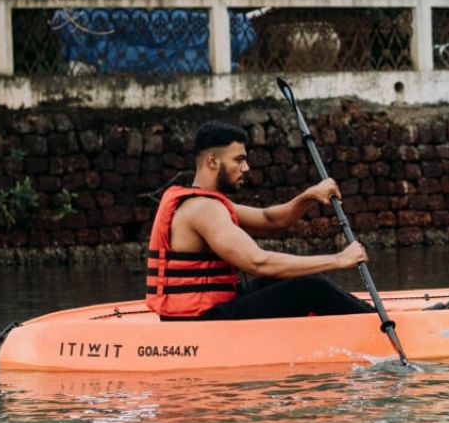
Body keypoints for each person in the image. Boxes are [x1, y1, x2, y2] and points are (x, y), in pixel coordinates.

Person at [146, 121, 377, 321]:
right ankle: (377, 328)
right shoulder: (204, 210)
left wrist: (308, 196)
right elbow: (257, 263)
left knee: (298, 278)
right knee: (311, 288)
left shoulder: (206, 203)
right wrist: (339, 259)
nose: (246, 168)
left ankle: (370, 317)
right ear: (212, 162)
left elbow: (272, 220)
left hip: (212, 307)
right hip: (201, 321)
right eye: (239, 160)